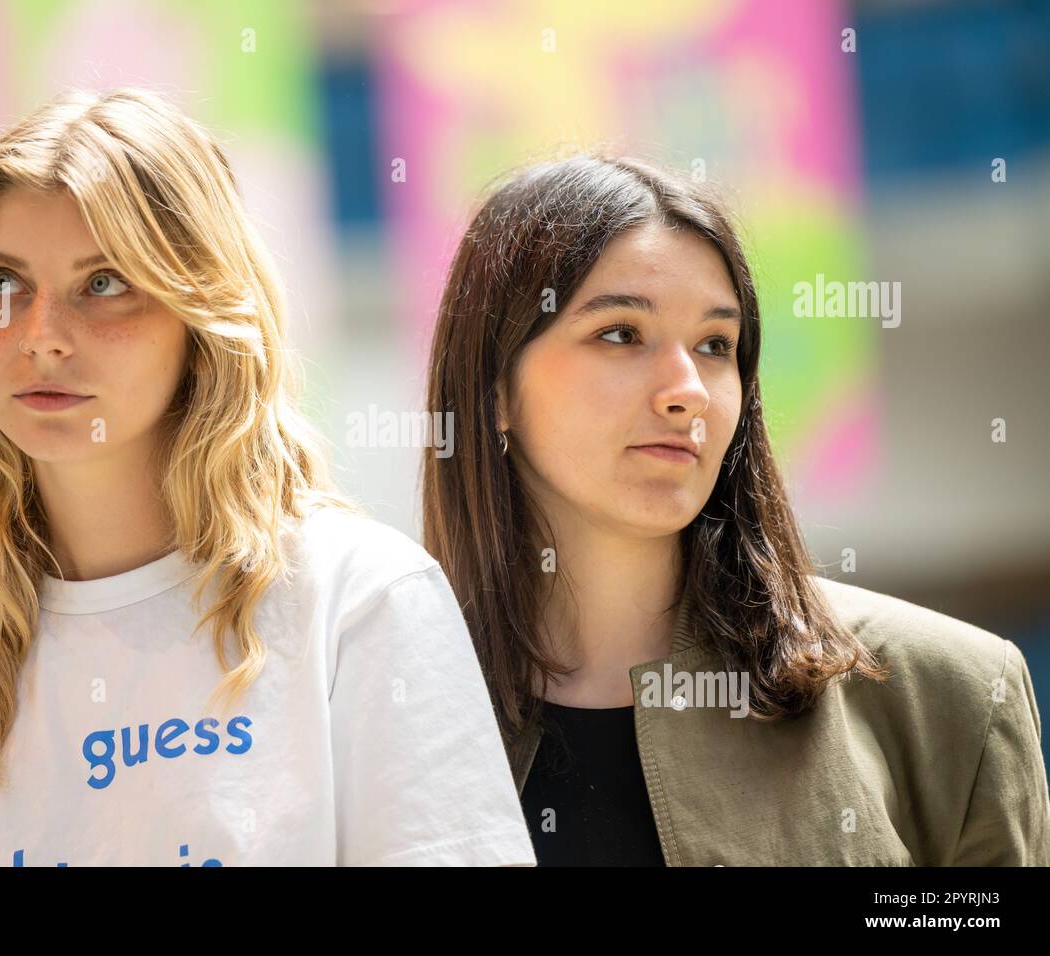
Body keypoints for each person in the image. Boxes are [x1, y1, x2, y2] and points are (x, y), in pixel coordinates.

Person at [0, 87, 534, 867]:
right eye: (1, 285)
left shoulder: (358, 601)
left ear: (201, 317)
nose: (41, 337)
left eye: (104, 283)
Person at [420, 151, 1050, 866]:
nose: (686, 388)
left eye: (716, 345)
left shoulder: (945, 691)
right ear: (495, 390)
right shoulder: (385, 708)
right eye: (621, 333)